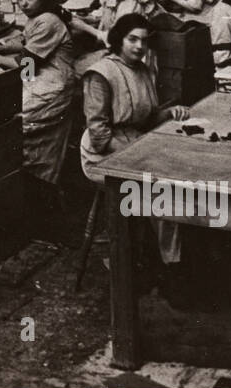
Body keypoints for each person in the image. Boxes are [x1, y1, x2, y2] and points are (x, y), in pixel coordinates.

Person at [80, 14, 191, 259]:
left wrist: (169, 112)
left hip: (135, 144)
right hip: (104, 155)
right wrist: (138, 157)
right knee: (162, 191)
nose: (139, 46)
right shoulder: (100, 73)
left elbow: (147, 118)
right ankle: (159, 263)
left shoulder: (142, 69)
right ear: (119, 39)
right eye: (132, 39)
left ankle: (162, 257)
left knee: (180, 175)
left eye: (144, 41)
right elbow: (99, 134)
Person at [0, 0, 77, 187]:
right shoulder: (38, 17)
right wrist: (3, 46)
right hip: (39, 82)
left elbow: (27, 64)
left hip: (52, 87)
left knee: (13, 124)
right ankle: (27, 176)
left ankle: (23, 178)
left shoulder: (48, 21)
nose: (24, 3)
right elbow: (27, 41)